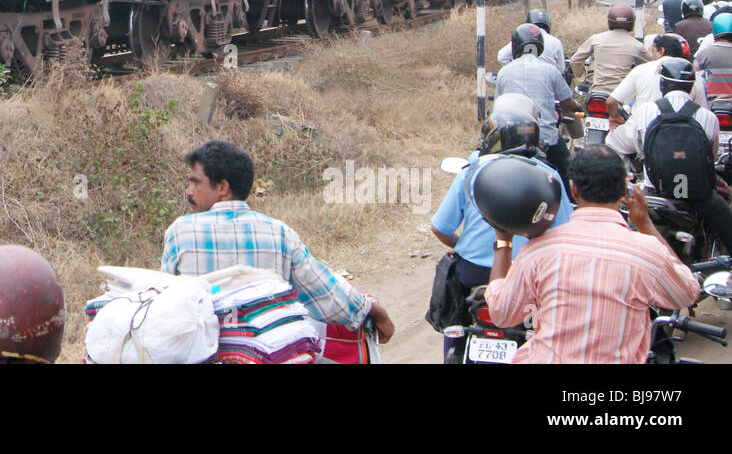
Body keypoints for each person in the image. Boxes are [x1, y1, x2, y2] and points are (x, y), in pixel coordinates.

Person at [483, 147, 700, 363]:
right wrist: (645, 224)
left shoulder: (538, 250)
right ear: (625, 191)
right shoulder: (646, 253)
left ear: (573, 189)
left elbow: (502, 314)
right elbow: (686, 293)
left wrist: (504, 242)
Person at [162, 140, 394, 342]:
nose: (188, 191)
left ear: (222, 187)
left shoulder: (180, 232)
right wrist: (370, 309)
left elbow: (166, 302)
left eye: (195, 183)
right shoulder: (279, 233)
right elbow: (325, 292)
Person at [430, 94, 572, 292]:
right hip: (528, 273)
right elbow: (563, 232)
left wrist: (465, 247)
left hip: (473, 272)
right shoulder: (549, 177)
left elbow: (439, 228)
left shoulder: (470, 172)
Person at [605, 57, 732, 254]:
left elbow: (630, 146)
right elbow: (711, 155)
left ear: (662, 84)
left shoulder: (647, 110)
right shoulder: (708, 117)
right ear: (691, 86)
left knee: (625, 232)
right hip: (698, 196)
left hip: (655, 192)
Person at [496, 24, 579, 185]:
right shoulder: (550, 70)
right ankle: (569, 205)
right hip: (546, 137)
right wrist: (576, 106)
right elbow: (567, 101)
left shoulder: (504, 72)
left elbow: (499, 106)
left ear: (515, 46)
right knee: (567, 170)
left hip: (511, 138)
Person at [608, 33, 706, 123]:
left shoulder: (641, 69)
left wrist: (615, 118)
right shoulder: (693, 75)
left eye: (653, 51)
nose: (652, 55)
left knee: (611, 140)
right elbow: (702, 111)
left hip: (641, 131)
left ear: (661, 51)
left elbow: (611, 101)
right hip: (679, 135)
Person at [568, 4, 652, 95]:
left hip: (597, 93)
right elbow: (655, 66)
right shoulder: (637, 45)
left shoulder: (596, 39)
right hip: (622, 95)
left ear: (610, 21)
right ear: (632, 22)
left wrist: (582, 78)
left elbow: (575, 60)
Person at [496, 8, 565, 75]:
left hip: (523, 81)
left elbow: (502, 57)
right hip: (548, 82)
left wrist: (515, 72)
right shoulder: (556, 42)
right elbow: (561, 68)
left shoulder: (523, 38)